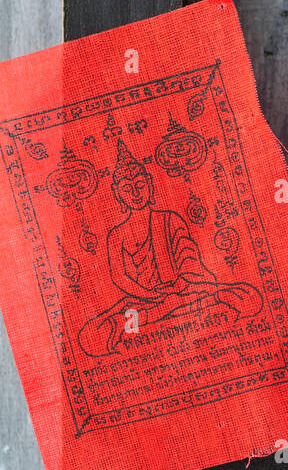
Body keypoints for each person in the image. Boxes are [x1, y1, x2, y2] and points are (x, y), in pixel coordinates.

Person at [77, 138, 261, 356]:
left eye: (140, 185)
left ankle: (171, 307)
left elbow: (189, 259)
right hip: (145, 300)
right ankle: (171, 307)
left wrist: (181, 284)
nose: (135, 193)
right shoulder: (117, 234)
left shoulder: (169, 219)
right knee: (91, 337)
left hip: (185, 289)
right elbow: (119, 276)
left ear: (149, 184)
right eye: (128, 188)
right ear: (118, 193)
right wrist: (150, 294)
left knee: (249, 297)